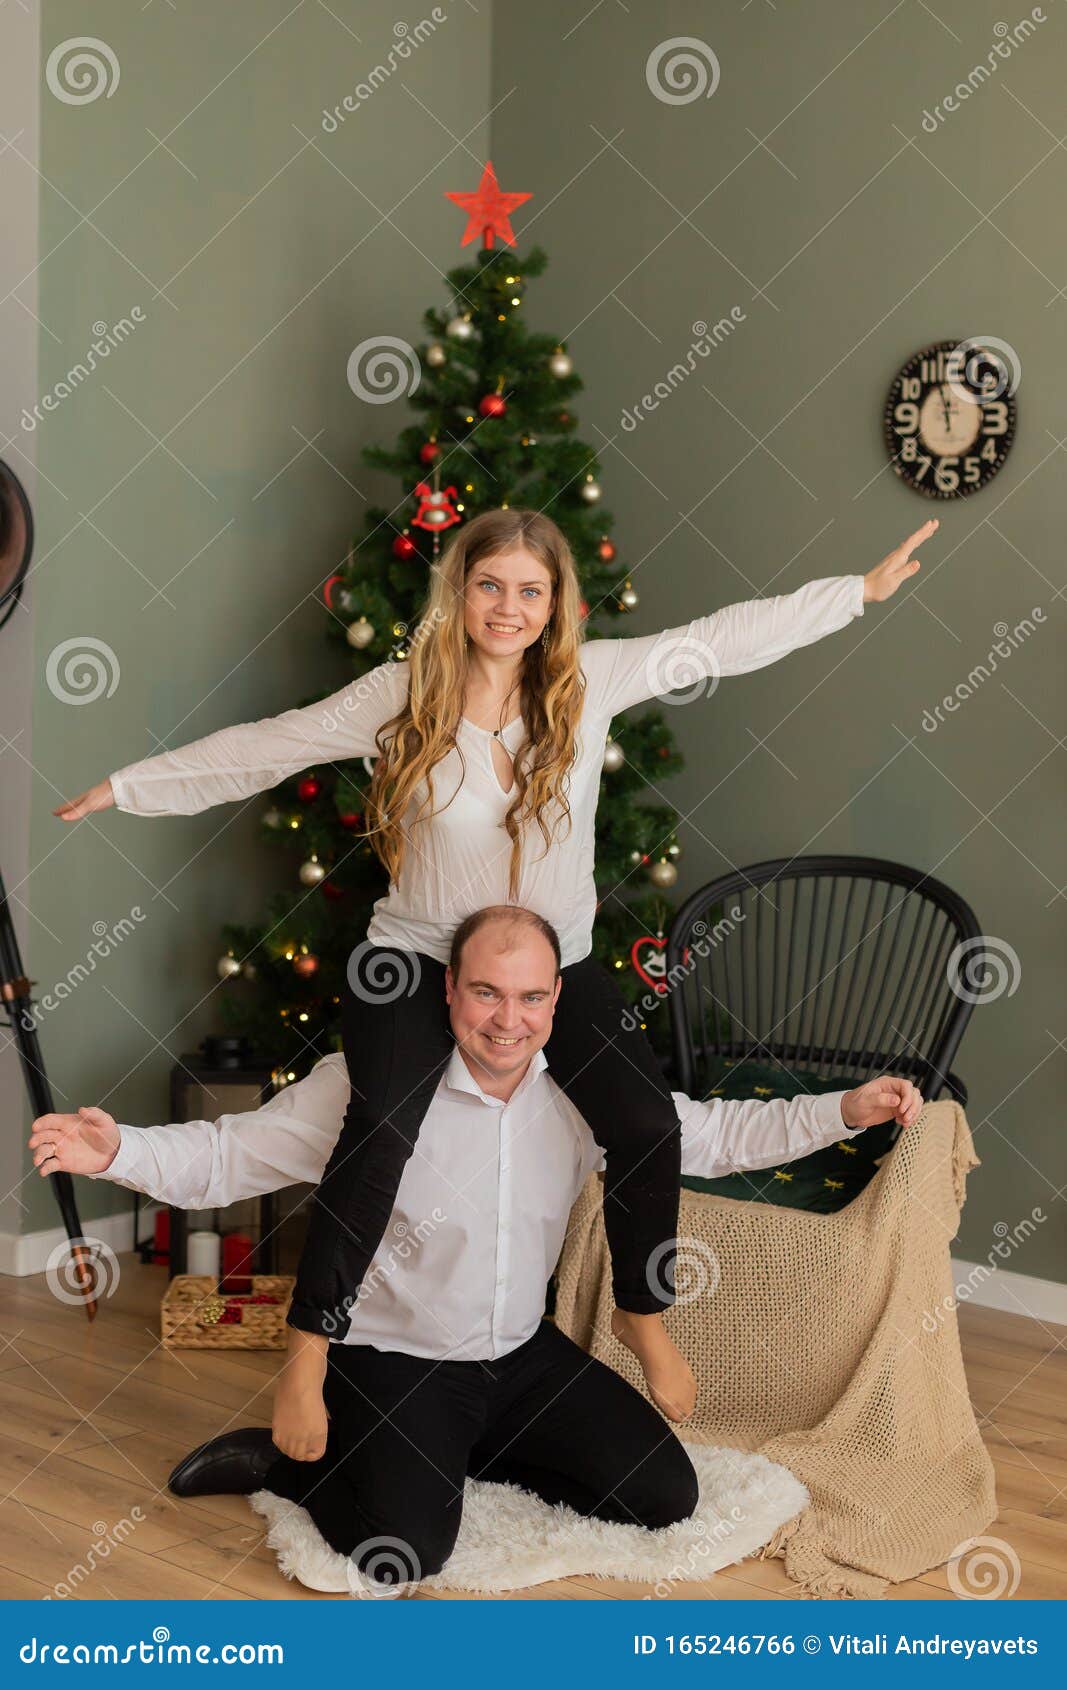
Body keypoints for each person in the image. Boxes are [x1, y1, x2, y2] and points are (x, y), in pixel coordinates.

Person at [52, 507, 939, 1449]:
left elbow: (714, 641)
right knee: (382, 1123)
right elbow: (274, 743)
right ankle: (310, 1353)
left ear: (555, 602)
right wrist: (129, 786)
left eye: (529, 590)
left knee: (641, 1120)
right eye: (489, 586)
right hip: (415, 958)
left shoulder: (590, 680)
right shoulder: (402, 695)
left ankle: (643, 1316)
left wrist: (855, 594)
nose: (507, 608)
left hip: (547, 959)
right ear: (459, 590)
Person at [29, 906, 925, 1594]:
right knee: (404, 1550)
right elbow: (231, 1155)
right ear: (449, 990)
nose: (508, 1020)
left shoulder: (580, 1093)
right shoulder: (372, 1091)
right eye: (487, 993)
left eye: (532, 996)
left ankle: (442, 1453)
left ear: (556, 1001)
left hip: (518, 1357)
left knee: (661, 1496)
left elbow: (707, 1136)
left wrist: (841, 1111)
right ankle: (287, 1462)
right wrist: (121, 1153)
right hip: (394, 1358)